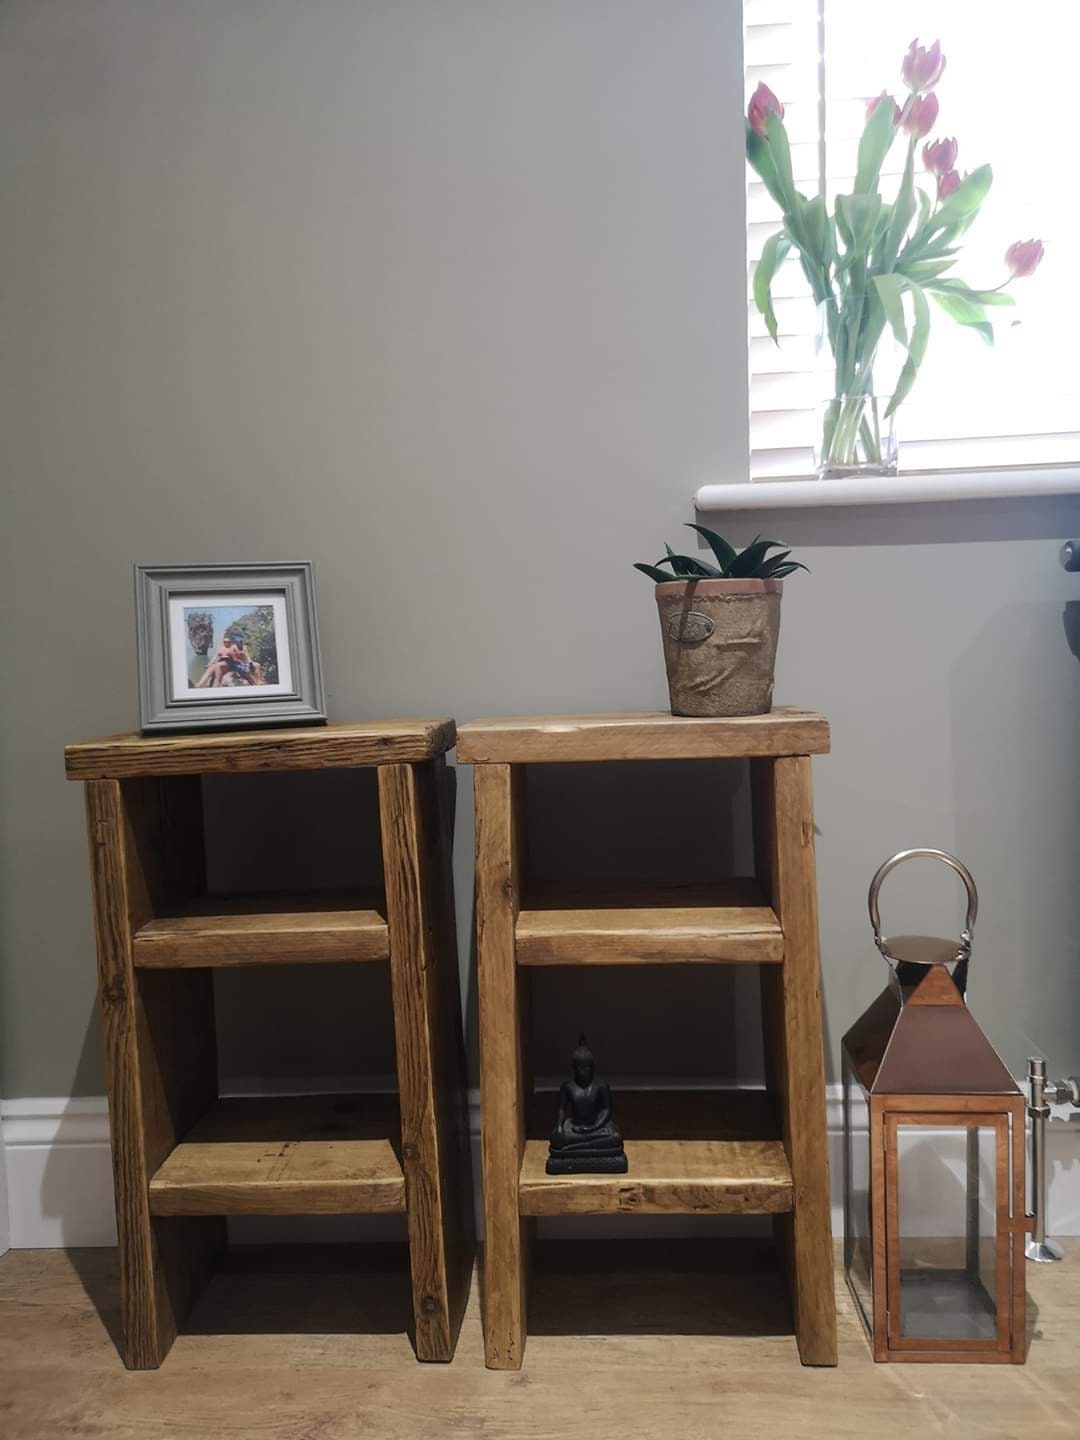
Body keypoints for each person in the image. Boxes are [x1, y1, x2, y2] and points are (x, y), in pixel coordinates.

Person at [194, 630, 265, 688]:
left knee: (257, 665)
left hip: (235, 663)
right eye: (224, 641)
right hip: (229, 663)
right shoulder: (225, 648)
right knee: (213, 667)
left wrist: (249, 662)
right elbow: (215, 657)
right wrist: (209, 664)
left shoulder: (239, 647)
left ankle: (258, 681)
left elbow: (245, 656)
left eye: (227, 641)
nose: (226, 643)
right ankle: (201, 684)